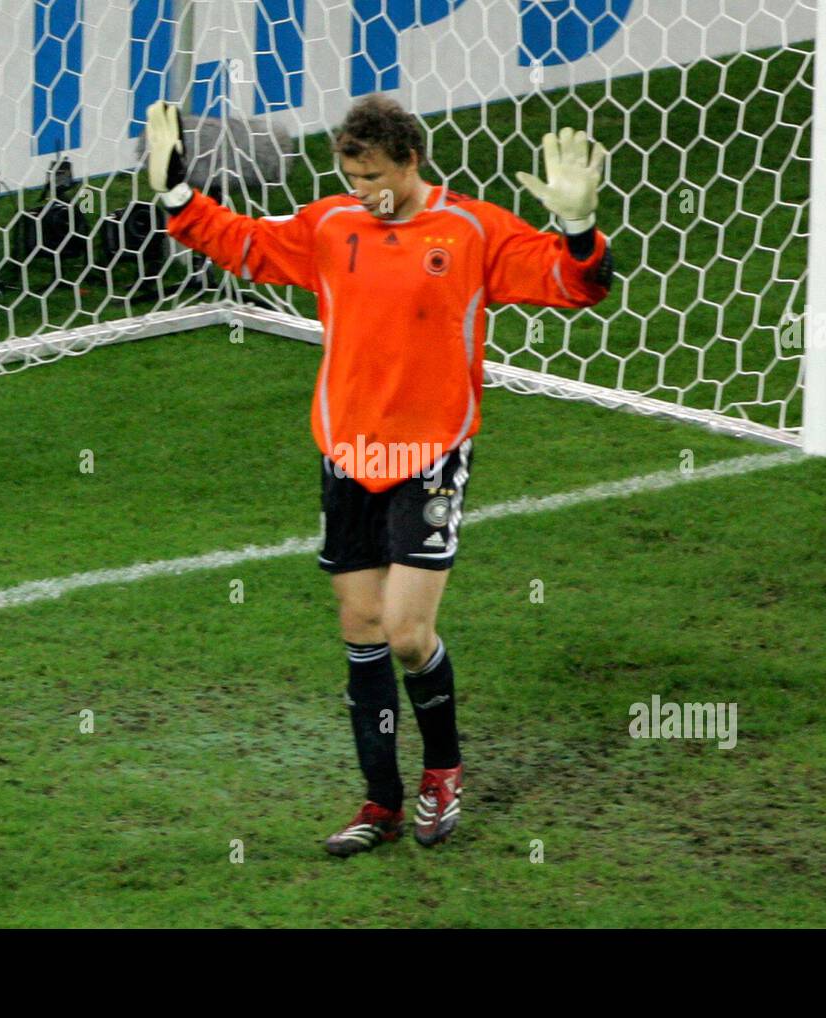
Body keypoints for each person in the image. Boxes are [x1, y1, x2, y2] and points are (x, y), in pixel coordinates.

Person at [145, 93, 612, 855]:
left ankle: (443, 771)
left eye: (374, 178)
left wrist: (579, 227)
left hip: (427, 457)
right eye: (351, 176)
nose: (364, 192)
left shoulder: (472, 230)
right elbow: (245, 244)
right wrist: (176, 195)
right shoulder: (332, 226)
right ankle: (381, 802)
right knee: (360, 627)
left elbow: (575, 284)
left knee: (404, 631)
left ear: (412, 161)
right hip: (346, 456)